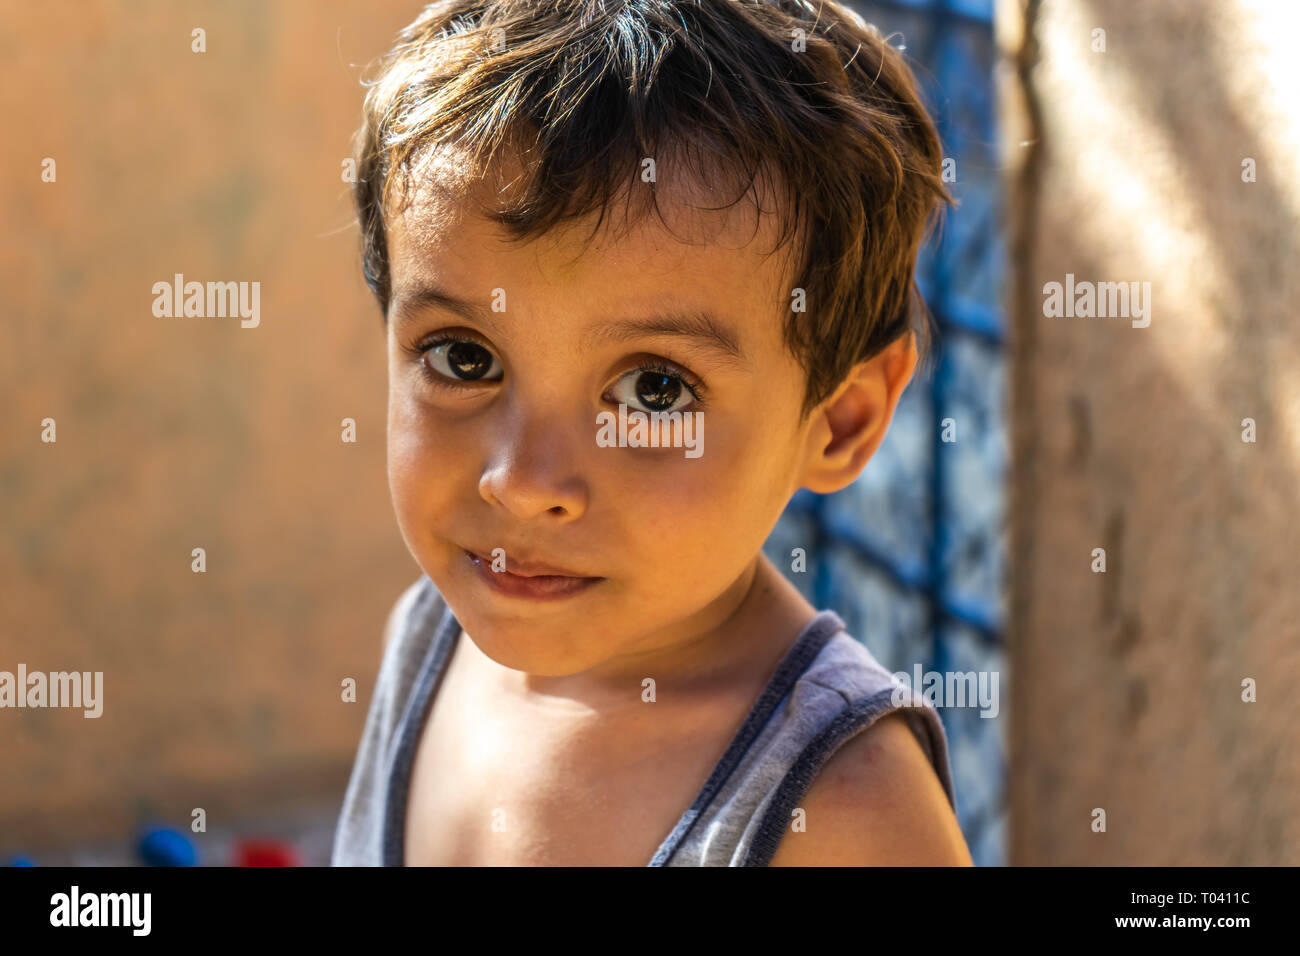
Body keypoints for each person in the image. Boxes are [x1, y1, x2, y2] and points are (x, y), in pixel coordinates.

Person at [332, 0, 972, 866]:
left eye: (655, 389)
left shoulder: (845, 811)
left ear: (840, 419)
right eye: (464, 357)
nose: (521, 482)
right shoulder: (430, 637)